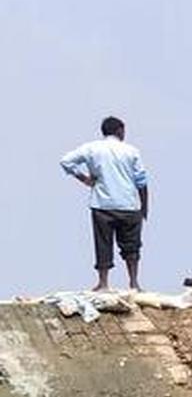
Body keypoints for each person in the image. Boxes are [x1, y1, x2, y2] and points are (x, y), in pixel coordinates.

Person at [60, 116, 150, 291]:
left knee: (103, 244)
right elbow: (141, 181)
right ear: (119, 130)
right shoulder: (131, 151)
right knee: (131, 246)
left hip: (102, 204)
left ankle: (103, 283)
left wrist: (83, 178)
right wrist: (144, 206)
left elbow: (65, 161)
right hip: (128, 204)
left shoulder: (91, 149)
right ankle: (133, 282)